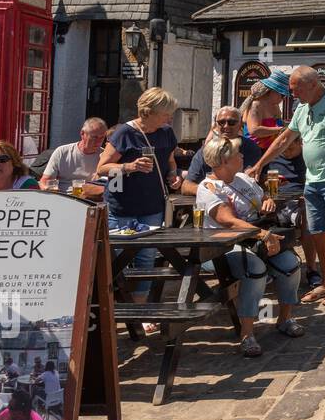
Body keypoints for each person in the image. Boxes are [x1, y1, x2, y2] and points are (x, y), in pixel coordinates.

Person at [249, 66, 325, 308]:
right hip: (312, 180)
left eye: (295, 89)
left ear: (312, 84)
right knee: (318, 231)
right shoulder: (302, 108)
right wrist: (260, 164)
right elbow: (283, 140)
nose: (292, 95)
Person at [197, 134, 305, 356]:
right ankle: (247, 334)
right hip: (222, 246)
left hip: (255, 238)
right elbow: (228, 221)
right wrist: (263, 235)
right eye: (237, 154)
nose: (242, 156)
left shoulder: (242, 179)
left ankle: (285, 318)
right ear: (223, 161)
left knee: (290, 263)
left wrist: (267, 199)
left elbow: (261, 195)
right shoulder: (209, 188)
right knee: (255, 269)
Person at [96, 87, 182, 320]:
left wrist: (174, 175)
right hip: (123, 205)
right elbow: (102, 168)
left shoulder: (166, 132)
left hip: (152, 205)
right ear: (149, 112)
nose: (169, 118)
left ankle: (139, 313)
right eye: (166, 113)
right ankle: (115, 311)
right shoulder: (125, 133)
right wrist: (128, 167)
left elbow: (170, 160)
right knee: (119, 257)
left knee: (146, 257)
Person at [181, 106, 262, 195]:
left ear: (240, 125)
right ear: (215, 126)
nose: (226, 126)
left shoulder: (251, 148)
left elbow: (253, 181)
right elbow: (186, 186)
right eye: (221, 122)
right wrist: (212, 191)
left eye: (231, 122)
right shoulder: (207, 150)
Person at [40, 116, 107, 197]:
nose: (99, 141)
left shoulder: (105, 156)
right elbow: (45, 180)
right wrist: (47, 189)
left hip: (89, 199)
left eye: (102, 137)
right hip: (62, 197)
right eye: (94, 137)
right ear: (82, 134)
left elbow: (112, 186)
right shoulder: (62, 151)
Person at [241, 72, 290, 149]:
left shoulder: (275, 106)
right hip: (254, 150)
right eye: (282, 95)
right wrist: (281, 129)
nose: (282, 99)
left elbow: (277, 125)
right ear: (272, 91)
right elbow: (254, 131)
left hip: (271, 150)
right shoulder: (256, 105)